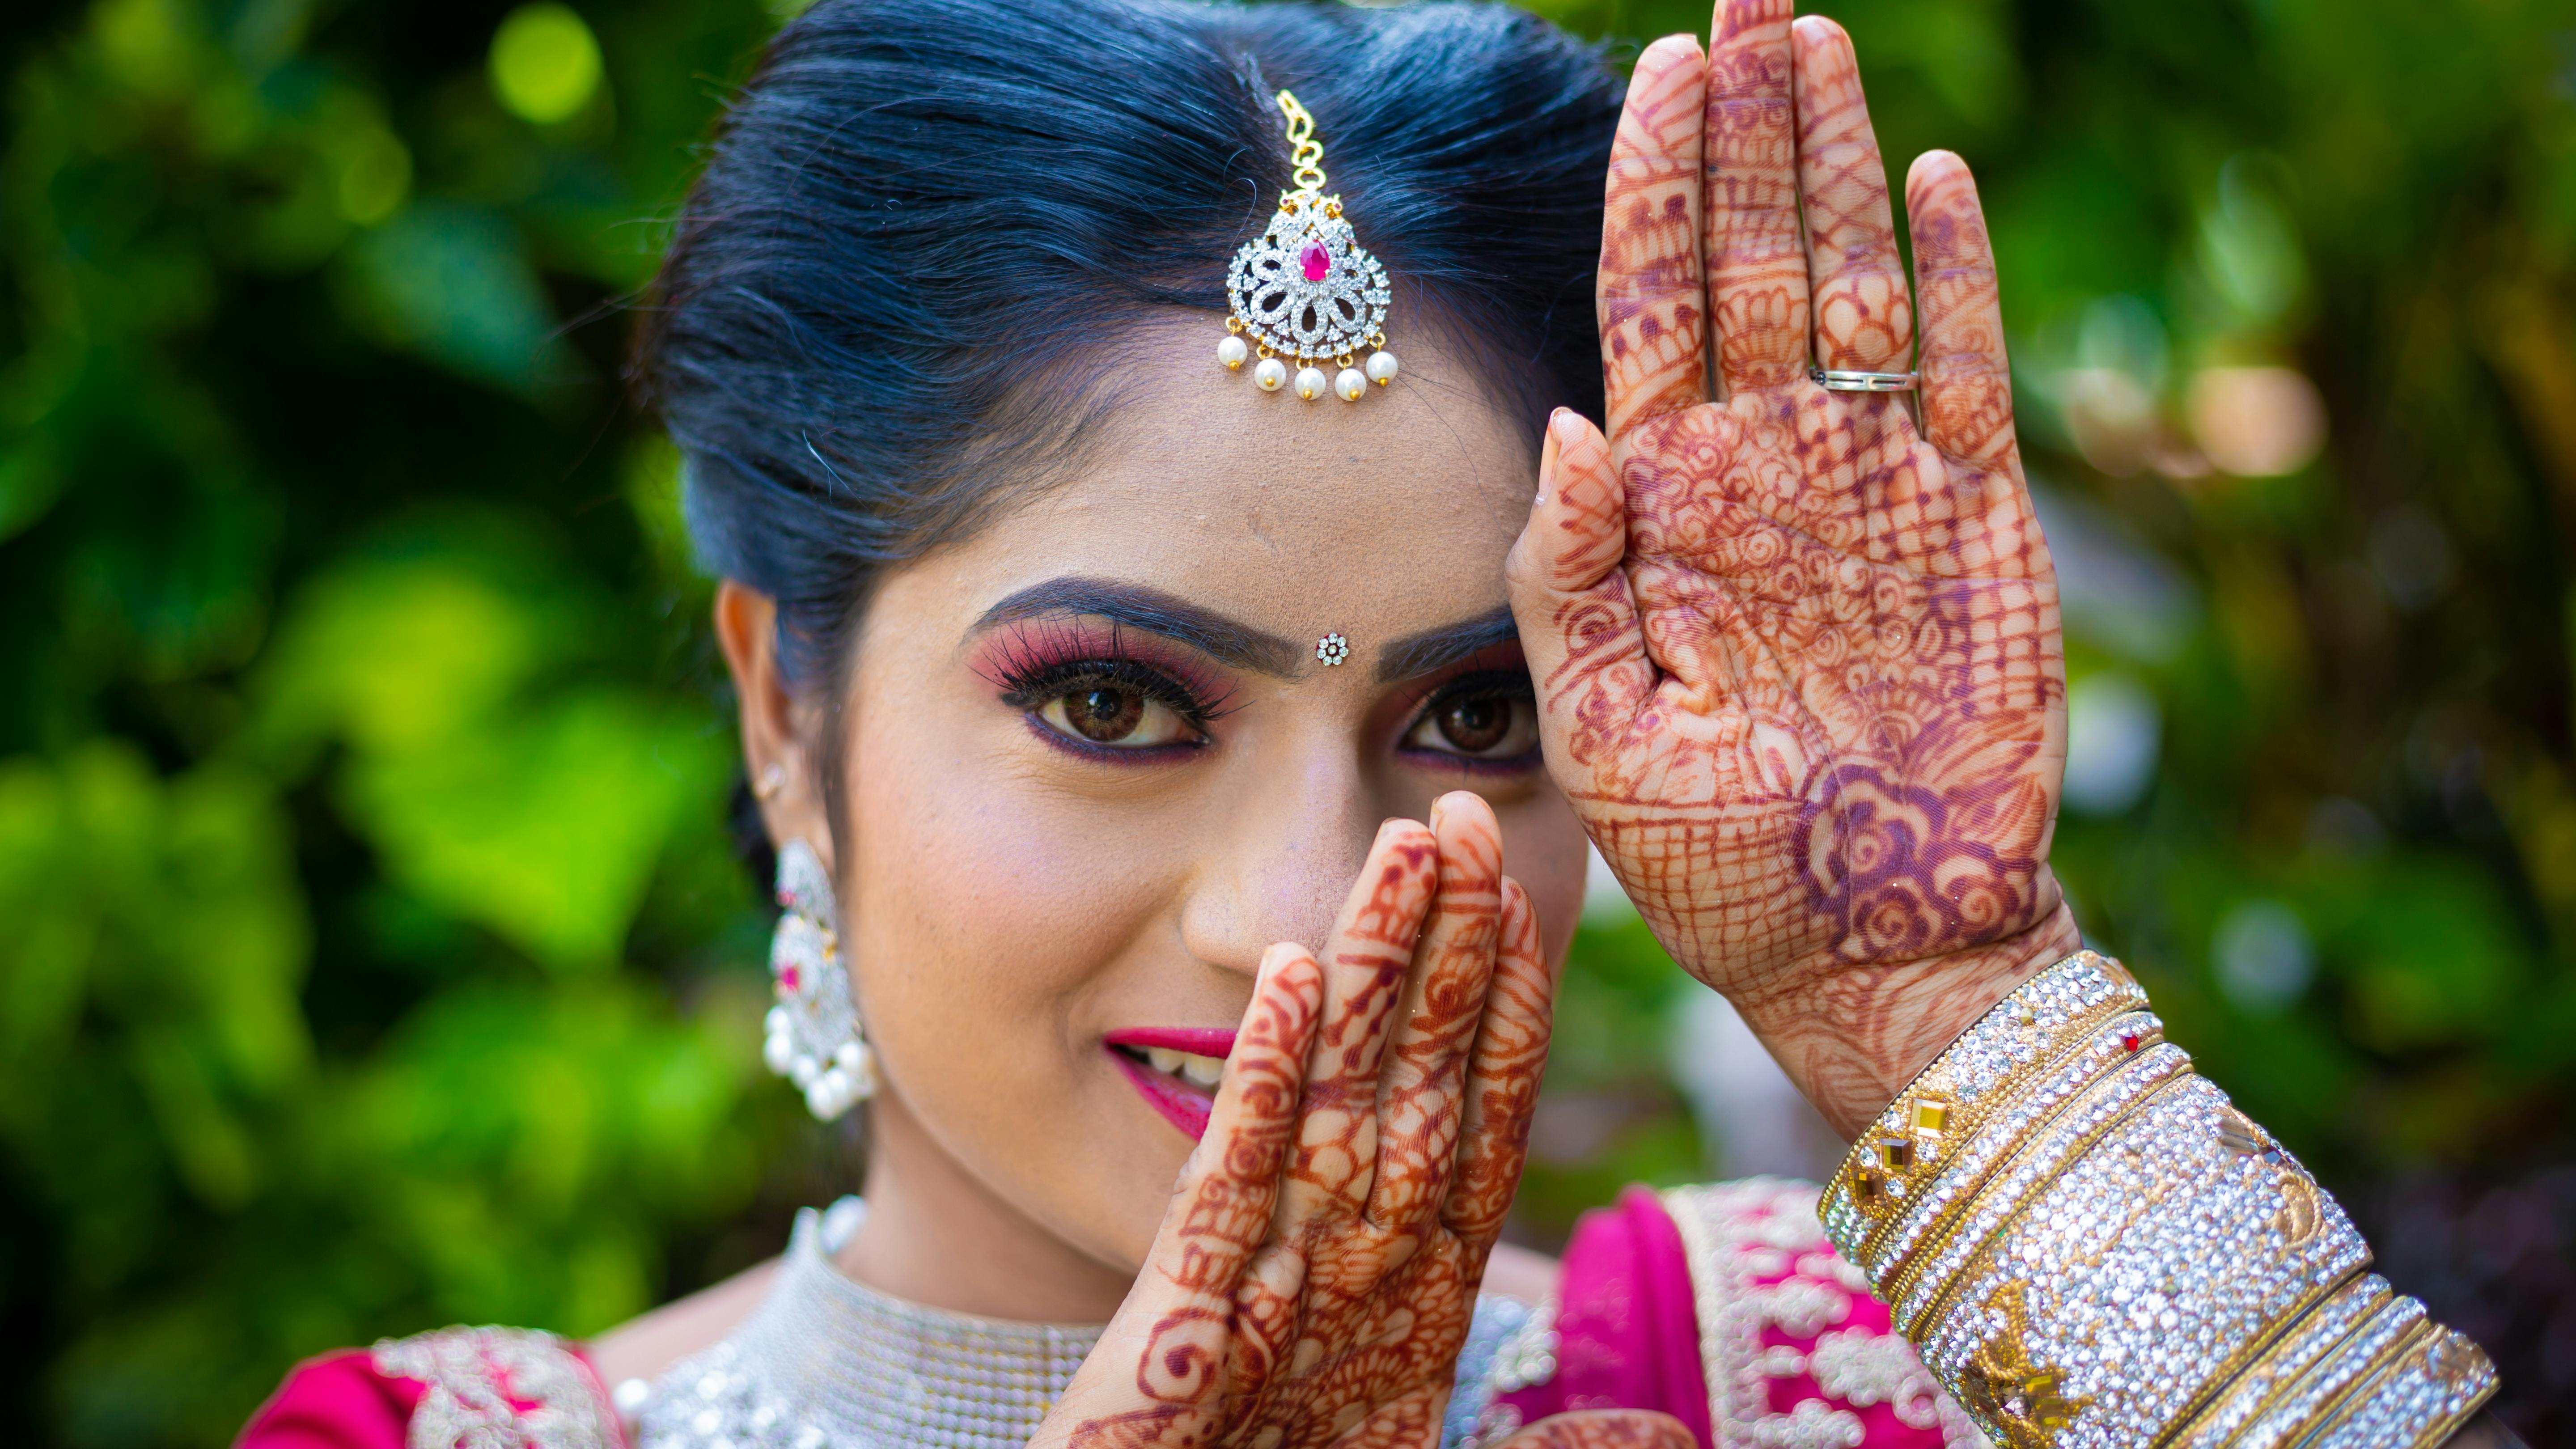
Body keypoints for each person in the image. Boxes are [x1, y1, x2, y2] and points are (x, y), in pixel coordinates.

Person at [235, 0, 2519, 1446]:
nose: (1314, 921)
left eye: (1479, 712)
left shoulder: (1808, 1377)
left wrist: (1947, 997)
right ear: (781, 711)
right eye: (1116, 701)